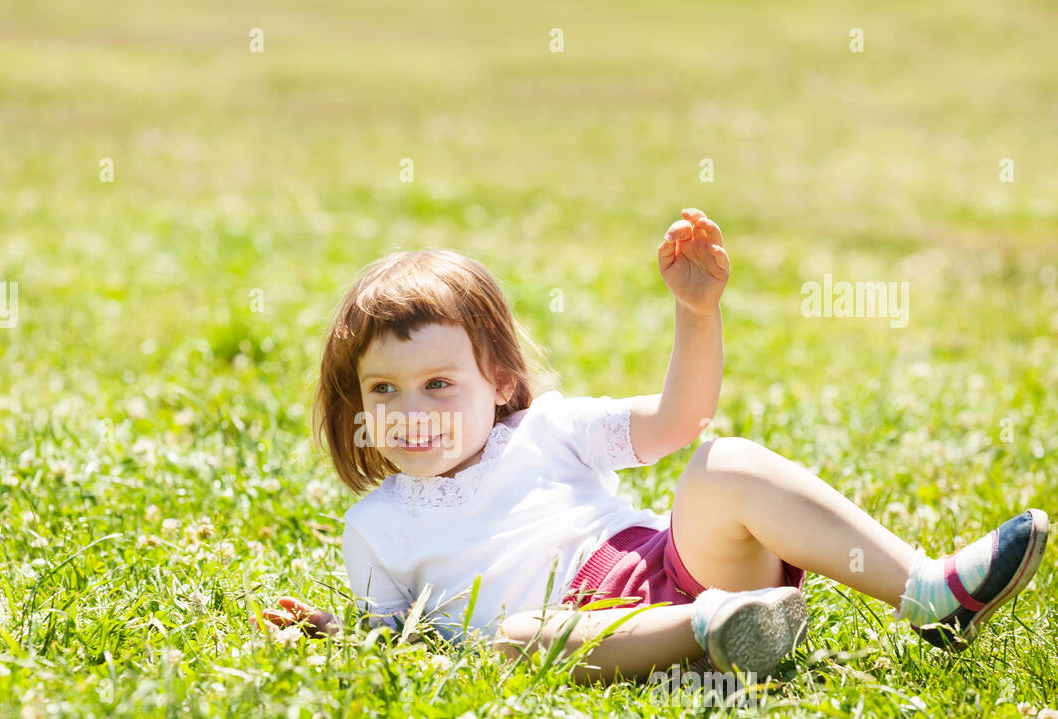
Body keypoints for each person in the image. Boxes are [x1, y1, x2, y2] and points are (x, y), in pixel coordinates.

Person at [253, 208, 1050, 686]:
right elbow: (399, 640)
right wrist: (332, 632)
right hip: (588, 634)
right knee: (515, 640)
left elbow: (679, 420)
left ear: (498, 379)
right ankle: (724, 635)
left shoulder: (546, 431)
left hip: (671, 566)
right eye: (383, 390)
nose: (410, 411)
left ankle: (927, 592)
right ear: (356, 401)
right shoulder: (376, 529)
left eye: (438, 384)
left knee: (722, 463)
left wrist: (696, 314)